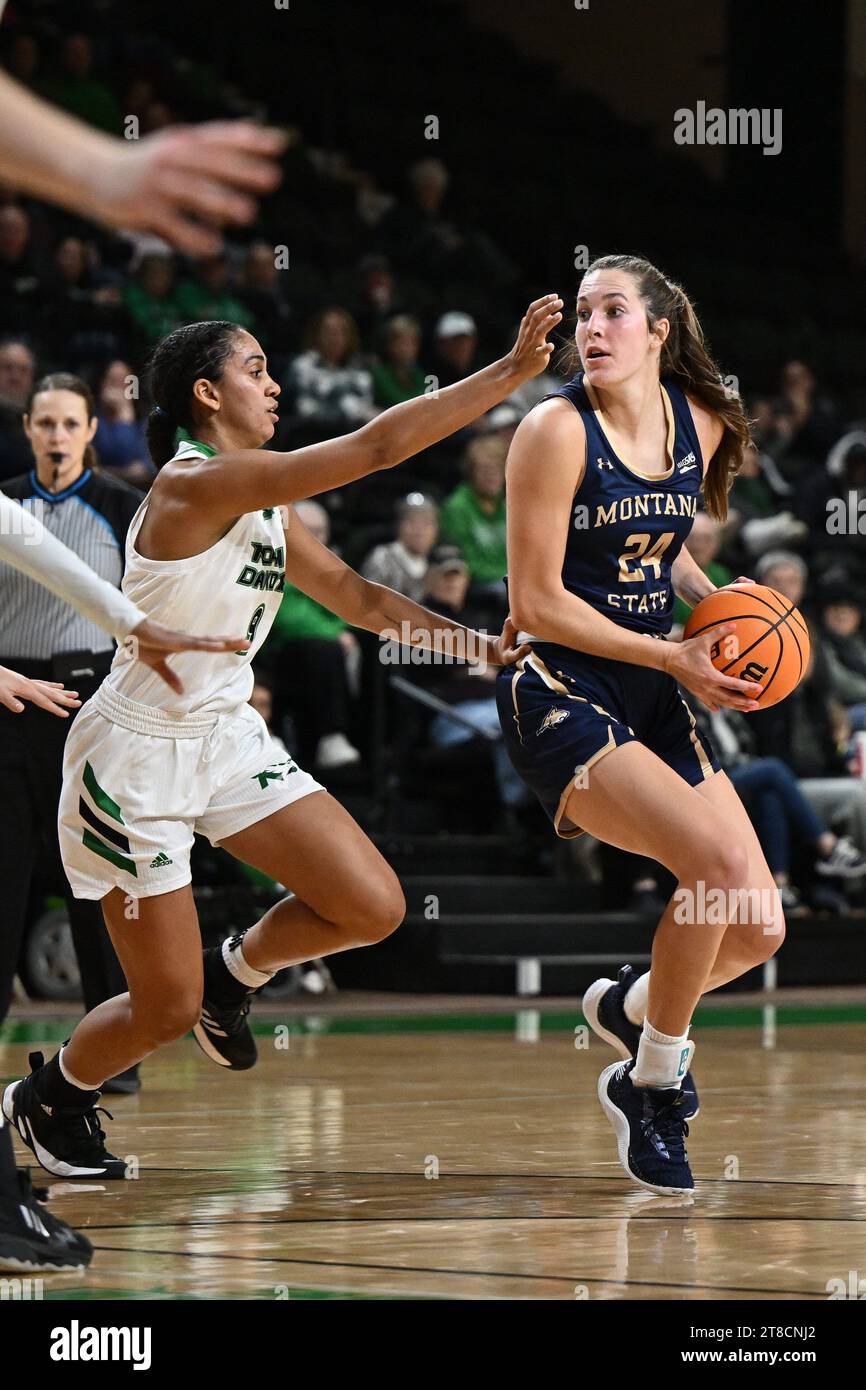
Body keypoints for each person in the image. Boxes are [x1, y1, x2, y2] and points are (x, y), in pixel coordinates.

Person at [2, 297, 562, 1180]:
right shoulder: (195, 484)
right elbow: (374, 450)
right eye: (255, 369)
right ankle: (49, 1102)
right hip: (135, 756)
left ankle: (238, 973)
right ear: (206, 394)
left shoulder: (262, 503)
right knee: (162, 1007)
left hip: (224, 735)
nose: (273, 384)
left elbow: (357, 596)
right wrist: (508, 375)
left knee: (371, 905)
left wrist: (480, 650)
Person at [497, 253, 782, 1195]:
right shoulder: (551, 430)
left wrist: (729, 612)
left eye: (613, 312)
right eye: (583, 313)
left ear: (660, 330)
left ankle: (628, 1007)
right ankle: (653, 1082)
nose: (591, 329)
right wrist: (673, 655)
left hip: (651, 686)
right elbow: (534, 603)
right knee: (710, 869)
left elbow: (659, 556)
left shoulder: (696, 422)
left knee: (759, 927)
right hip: (563, 687)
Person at [0, 372, 147, 1094]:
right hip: (9, 700)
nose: (58, 436)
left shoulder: (125, 506)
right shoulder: (4, 503)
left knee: (99, 877)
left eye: (70, 424)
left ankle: (112, 1047)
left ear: (93, 431)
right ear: (28, 427)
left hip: (95, 703)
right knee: (6, 873)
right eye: (46, 423)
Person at [264, 499, 362, 771]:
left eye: (320, 531)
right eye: (308, 530)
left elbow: (350, 607)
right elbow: (288, 618)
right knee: (322, 649)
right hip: (280, 648)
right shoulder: (276, 560)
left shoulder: (331, 565)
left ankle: (370, 742)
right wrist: (337, 633)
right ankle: (331, 735)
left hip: (323, 645)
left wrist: (341, 631)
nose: (315, 538)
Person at [361, 492, 439, 603]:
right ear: (399, 525)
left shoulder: (436, 564)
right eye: (411, 521)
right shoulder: (383, 558)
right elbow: (367, 605)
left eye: (426, 522)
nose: (419, 530)